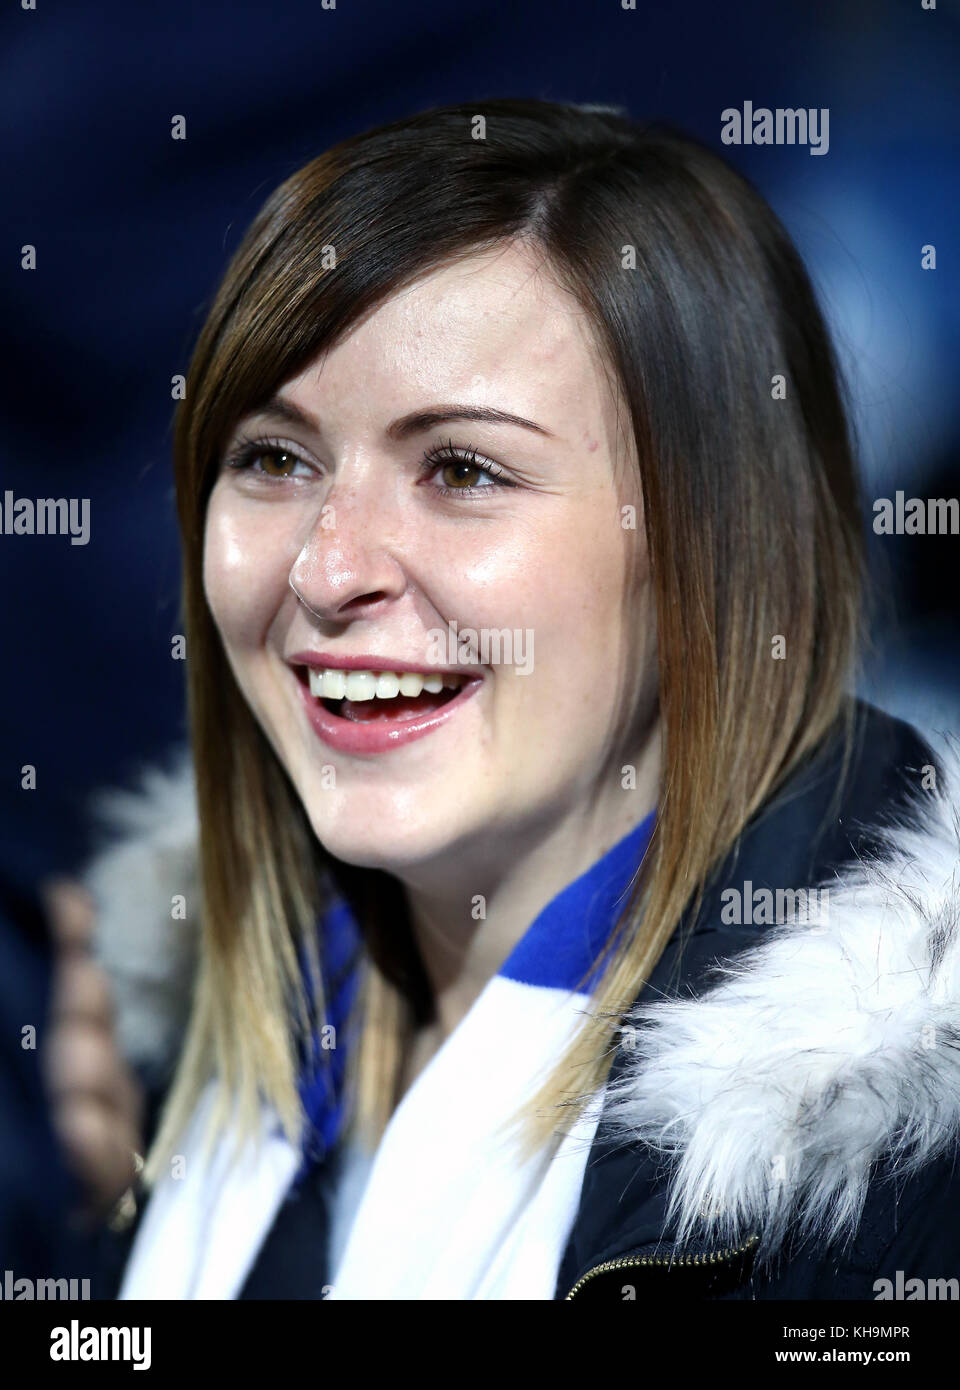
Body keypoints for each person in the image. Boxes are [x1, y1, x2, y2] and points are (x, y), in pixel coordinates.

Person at [74, 99, 960, 1300]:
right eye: (275, 458)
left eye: (463, 470)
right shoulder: (132, 1054)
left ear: (717, 544)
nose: (330, 569)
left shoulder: (904, 1193)